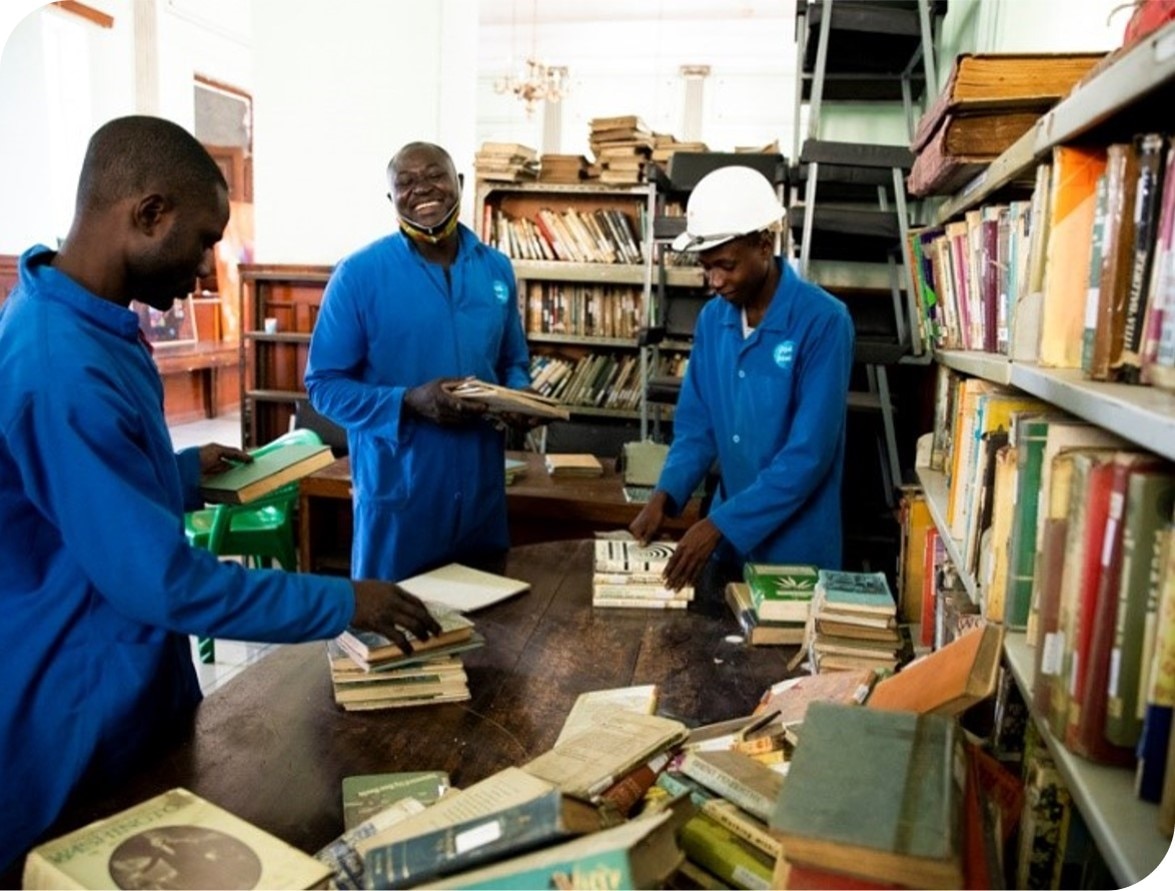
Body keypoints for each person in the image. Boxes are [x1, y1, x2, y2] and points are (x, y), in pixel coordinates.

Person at [0, 116, 441, 872]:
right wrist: (344, 601)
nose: (208, 269)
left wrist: (177, 471)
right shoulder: (60, 361)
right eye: (203, 239)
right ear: (147, 213)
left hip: (127, 670)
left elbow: (69, 489)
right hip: (74, 703)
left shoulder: (87, 319)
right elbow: (159, 580)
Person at [305, 141, 532, 582]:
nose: (422, 189)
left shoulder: (496, 269)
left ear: (459, 184)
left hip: (482, 499)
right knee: (398, 641)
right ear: (391, 199)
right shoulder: (358, 274)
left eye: (435, 176)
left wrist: (519, 399)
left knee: (489, 636)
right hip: (400, 501)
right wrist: (407, 401)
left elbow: (513, 361)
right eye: (405, 183)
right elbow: (324, 385)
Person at [630, 165, 854, 592]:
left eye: (726, 266)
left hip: (796, 551)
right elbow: (697, 428)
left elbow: (807, 456)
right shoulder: (714, 320)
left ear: (764, 244)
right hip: (728, 547)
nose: (715, 281)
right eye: (706, 267)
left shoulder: (824, 321)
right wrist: (666, 494)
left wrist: (720, 524)